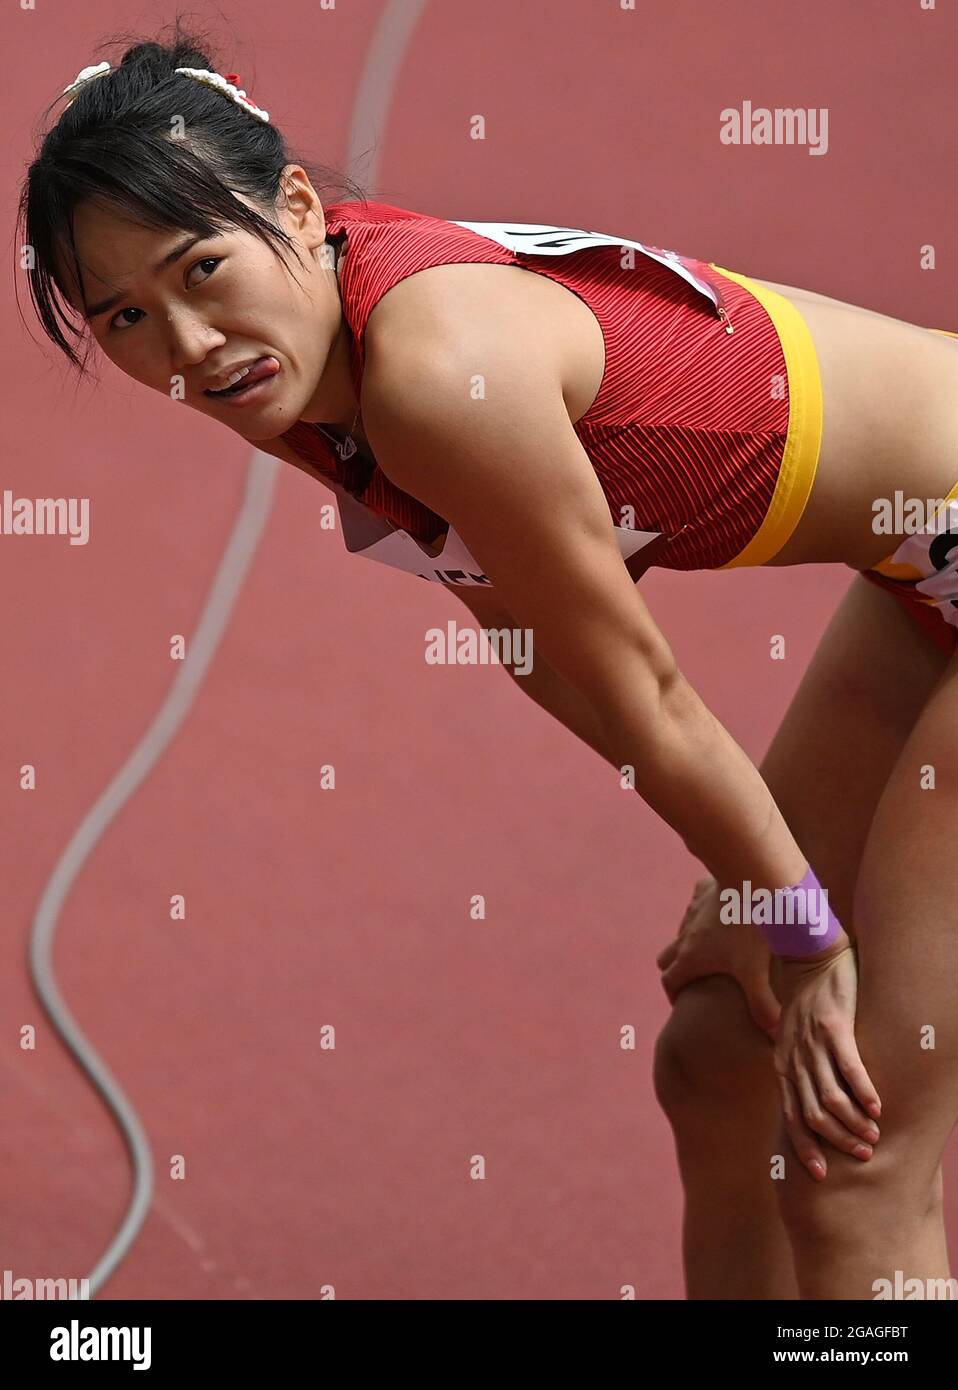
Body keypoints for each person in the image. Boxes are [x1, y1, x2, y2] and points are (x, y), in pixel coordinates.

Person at [20, 24, 958, 1301]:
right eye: (127, 314)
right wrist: (767, 884)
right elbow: (541, 653)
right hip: (923, 571)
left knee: (853, 1155)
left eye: (201, 268)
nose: (184, 343)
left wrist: (793, 916)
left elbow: (637, 680)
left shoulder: (433, 369)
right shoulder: (291, 355)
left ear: (297, 206)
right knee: (716, 1056)